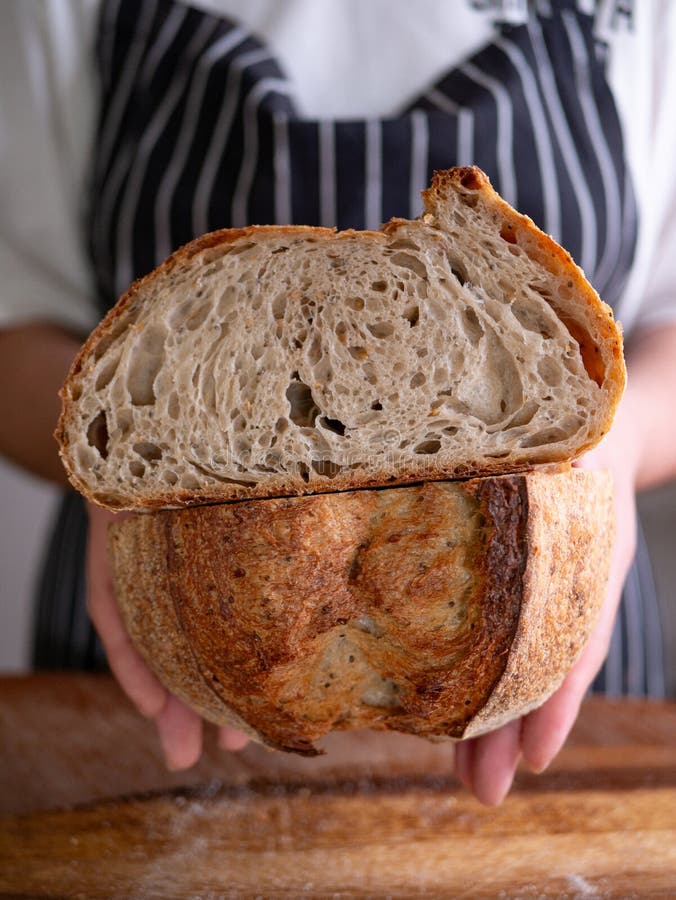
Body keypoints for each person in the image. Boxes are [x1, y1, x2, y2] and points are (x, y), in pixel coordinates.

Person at [1, 0, 675, 806]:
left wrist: (619, 445)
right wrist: (125, 464)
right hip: (164, 623)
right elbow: (11, 331)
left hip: (554, 610)